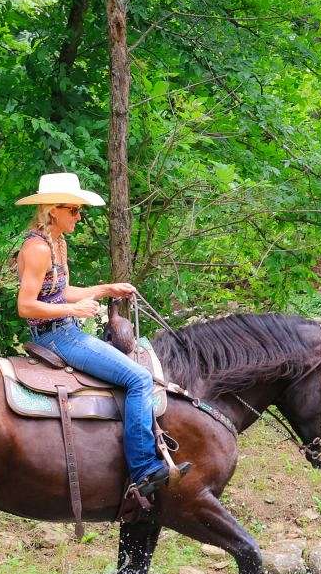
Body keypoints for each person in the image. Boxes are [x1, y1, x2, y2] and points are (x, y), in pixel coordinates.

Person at [14, 172, 190, 497]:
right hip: (55, 336)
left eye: (80, 211)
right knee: (138, 379)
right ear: (53, 209)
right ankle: (144, 468)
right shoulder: (37, 248)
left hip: (65, 329)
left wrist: (106, 289)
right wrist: (75, 310)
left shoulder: (57, 243)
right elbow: (26, 306)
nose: (79, 217)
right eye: (74, 210)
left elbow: (61, 291)